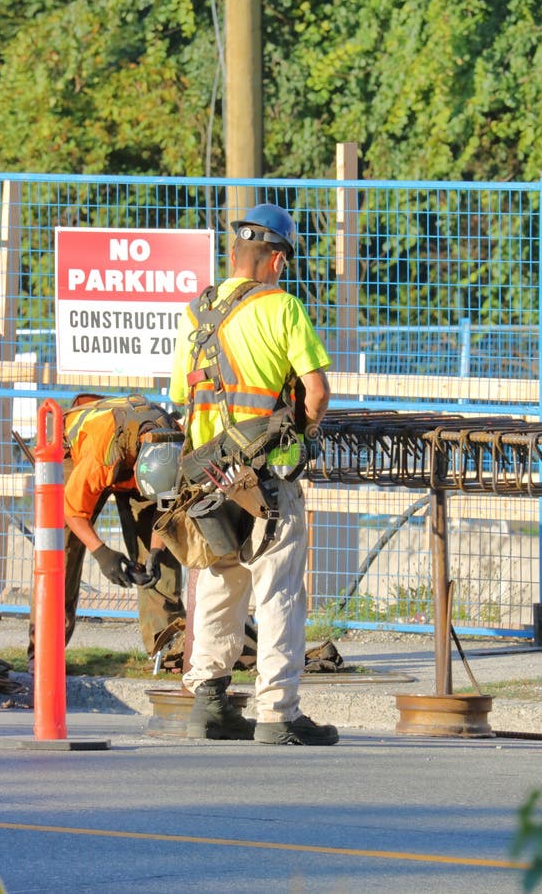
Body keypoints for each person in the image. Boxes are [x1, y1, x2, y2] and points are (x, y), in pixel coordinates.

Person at [168, 203, 339, 745]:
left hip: (207, 479)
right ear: (278, 260)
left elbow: (179, 400)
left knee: (218, 581)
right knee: (278, 591)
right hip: (266, 479)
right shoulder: (282, 307)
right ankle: (276, 714)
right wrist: (303, 438)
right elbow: (316, 393)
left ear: (236, 253)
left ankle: (210, 702)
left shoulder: (197, 312)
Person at [27, 393, 184, 671]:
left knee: (165, 556)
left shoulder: (174, 446)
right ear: (138, 466)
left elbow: (166, 506)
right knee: (60, 551)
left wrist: (156, 551)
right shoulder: (102, 453)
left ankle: (168, 650)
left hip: (133, 462)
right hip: (78, 453)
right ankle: (44, 653)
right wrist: (102, 553)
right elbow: (73, 511)